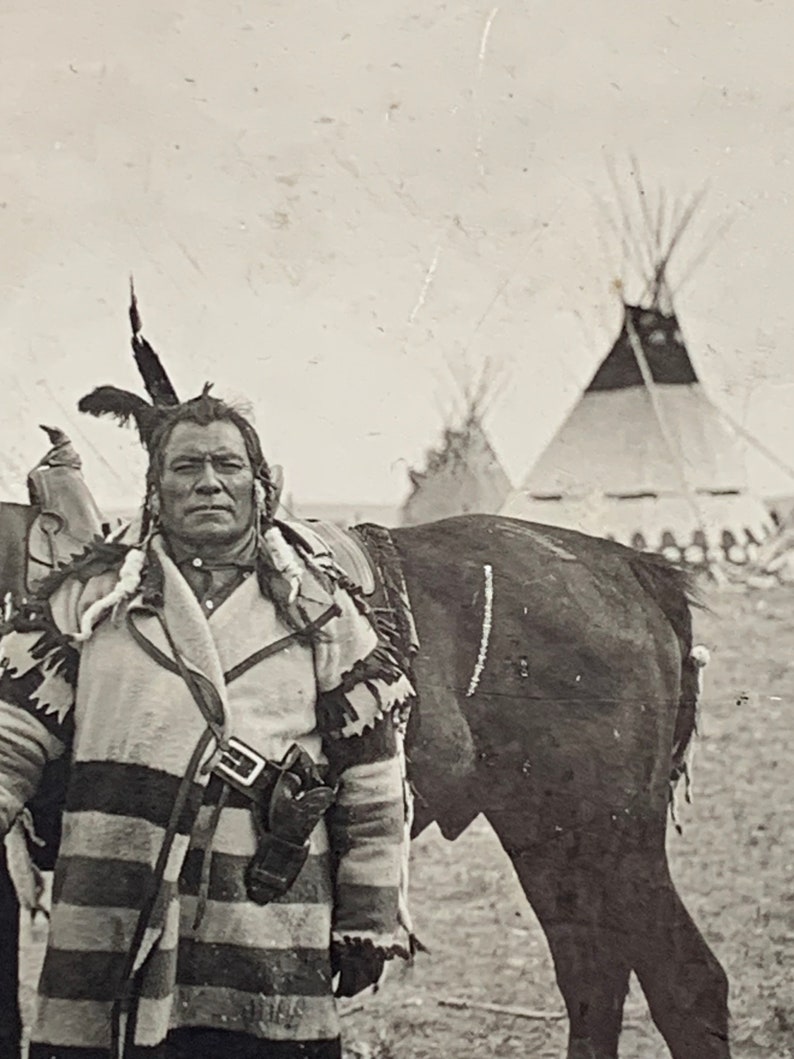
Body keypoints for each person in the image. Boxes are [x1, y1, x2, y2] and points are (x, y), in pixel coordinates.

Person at [0, 388, 415, 1059]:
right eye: (186, 467)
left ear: (260, 485)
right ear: (155, 491)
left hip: (264, 922)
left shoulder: (318, 611)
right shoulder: (89, 601)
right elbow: (10, 738)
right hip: (111, 918)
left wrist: (367, 918)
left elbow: (373, 778)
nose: (208, 482)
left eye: (227, 465)